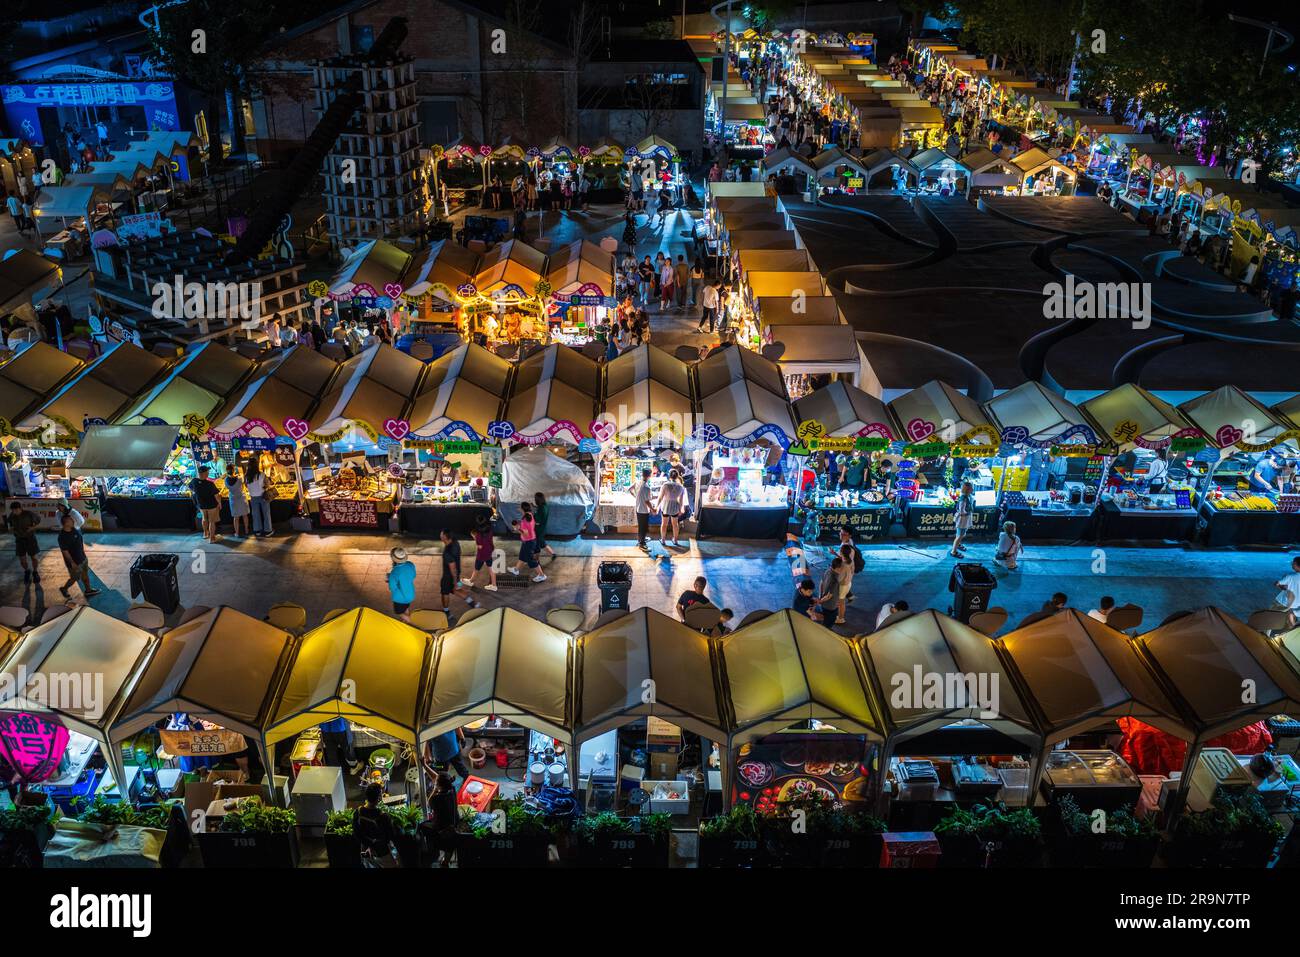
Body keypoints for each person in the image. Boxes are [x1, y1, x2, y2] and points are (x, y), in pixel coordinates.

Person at [57, 512, 98, 599]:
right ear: (66, 523)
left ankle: (88, 590)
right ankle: (64, 588)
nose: (73, 521)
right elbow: (65, 552)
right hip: (75, 562)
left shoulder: (74, 529)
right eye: (70, 520)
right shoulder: (62, 537)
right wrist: (72, 563)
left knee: (85, 575)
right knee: (75, 578)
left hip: (82, 558)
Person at [352, 783, 396, 863]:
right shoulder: (383, 816)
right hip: (381, 851)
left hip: (365, 850)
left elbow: (356, 833)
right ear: (379, 798)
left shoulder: (357, 812)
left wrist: (368, 844)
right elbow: (390, 835)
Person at [507, 502, 546, 582]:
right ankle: (516, 570)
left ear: (522, 509)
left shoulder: (524, 520)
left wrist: (517, 528)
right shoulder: (530, 515)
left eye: (520, 507)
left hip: (529, 541)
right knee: (522, 556)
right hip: (530, 540)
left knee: (531, 560)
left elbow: (526, 534)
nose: (519, 508)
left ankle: (542, 575)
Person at [439, 528, 474, 614]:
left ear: (445, 537)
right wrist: (457, 580)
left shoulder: (447, 552)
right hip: (457, 573)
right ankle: (472, 602)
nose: (440, 535)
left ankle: (446, 612)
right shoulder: (456, 543)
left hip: (449, 577)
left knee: (445, 593)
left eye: (441, 534)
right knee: (457, 590)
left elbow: (452, 568)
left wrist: (455, 582)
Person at [464, 514, 498, 591]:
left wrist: (474, 538)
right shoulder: (489, 530)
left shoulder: (478, 535)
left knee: (476, 568)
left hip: (482, 554)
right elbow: (489, 540)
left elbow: (480, 546)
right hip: (489, 551)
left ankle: (471, 581)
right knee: (491, 568)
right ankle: (494, 585)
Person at [189, 465, 221, 543]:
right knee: (211, 521)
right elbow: (216, 495)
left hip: (201, 505)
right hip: (211, 505)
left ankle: (205, 533)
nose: (208, 473)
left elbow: (190, 488)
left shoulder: (194, 481)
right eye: (207, 471)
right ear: (204, 473)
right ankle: (212, 538)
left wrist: (196, 493)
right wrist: (219, 503)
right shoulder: (210, 484)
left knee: (204, 518)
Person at [387, 546, 417, 622]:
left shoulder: (395, 572)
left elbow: (392, 587)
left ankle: (413, 624)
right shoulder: (410, 564)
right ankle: (406, 624)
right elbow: (413, 576)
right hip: (410, 594)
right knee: (405, 608)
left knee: (399, 612)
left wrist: (389, 579)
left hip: (400, 598)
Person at [245, 458, 273, 538]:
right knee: (266, 513)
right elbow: (267, 484)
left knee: (255, 514)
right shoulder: (261, 474)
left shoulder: (246, 476)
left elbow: (246, 486)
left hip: (253, 497)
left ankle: (257, 531)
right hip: (263, 496)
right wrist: (263, 487)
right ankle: (268, 531)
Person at [818, 556, 849, 627]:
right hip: (830, 606)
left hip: (824, 603)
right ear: (838, 568)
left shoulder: (827, 571)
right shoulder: (835, 580)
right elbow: (829, 596)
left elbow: (821, 583)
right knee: (829, 622)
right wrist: (820, 601)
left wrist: (820, 596)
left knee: (825, 618)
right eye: (842, 568)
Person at [658, 469, 686, 547]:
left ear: (669, 476)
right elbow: (680, 500)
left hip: (666, 506)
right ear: (677, 476)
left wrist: (657, 506)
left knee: (664, 524)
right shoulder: (681, 487)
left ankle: (663, 540)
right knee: (675, 524)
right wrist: (681, 509)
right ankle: (675, 540)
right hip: (675, 507)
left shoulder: (665, 485)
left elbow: (660, 497)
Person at [632, 467, 655, 550]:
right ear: (649, 476)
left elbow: (630, 489)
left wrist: (636, 496)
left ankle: (641, 539)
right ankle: (642, 544)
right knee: (643, 527)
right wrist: (653, 510)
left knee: (641, 526)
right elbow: (647, 502)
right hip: (644, 510)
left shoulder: (638, 482)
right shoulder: (646, 487)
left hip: (638, 508)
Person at [950, 480, 974, 557]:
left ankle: (958, 544)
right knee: (960, 535)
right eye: (971, 488)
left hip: (966, 518)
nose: (972, 489)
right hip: (963, 519)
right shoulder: (963, 498)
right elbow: (961, 510)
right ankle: (953, 551)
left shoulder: (967, 496)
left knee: (961, 534)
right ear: (968, 490)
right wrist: (967, 513)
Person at [1274, 556, 1300, 625]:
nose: (1291, 564)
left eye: (1293, 563)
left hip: (1283, 603)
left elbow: (1277, 583)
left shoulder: (1290, 576)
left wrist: (1282, 587)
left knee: (1271, 618)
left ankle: (1265, 634)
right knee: (1289, 623)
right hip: (1296, 605)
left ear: (1296, 564)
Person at [226, 466, 250, 537]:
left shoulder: (226, 480)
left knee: (236, 518)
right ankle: (246, 530)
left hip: (233, 500)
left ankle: (236, 532)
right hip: (241, 498)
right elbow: (243, 487)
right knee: (245, 515)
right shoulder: (239, 479)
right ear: (234, 471)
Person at [533, 492, 556, 560]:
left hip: (538, 530)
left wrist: (532, 515)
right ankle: (553, 554)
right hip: (543, 529)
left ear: (537, 500)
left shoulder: (540, 509)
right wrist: (535, 508)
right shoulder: (545, 506)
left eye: (535, 498)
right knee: (542, 543)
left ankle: (536, 560)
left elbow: (537, 522)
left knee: (537, 545)